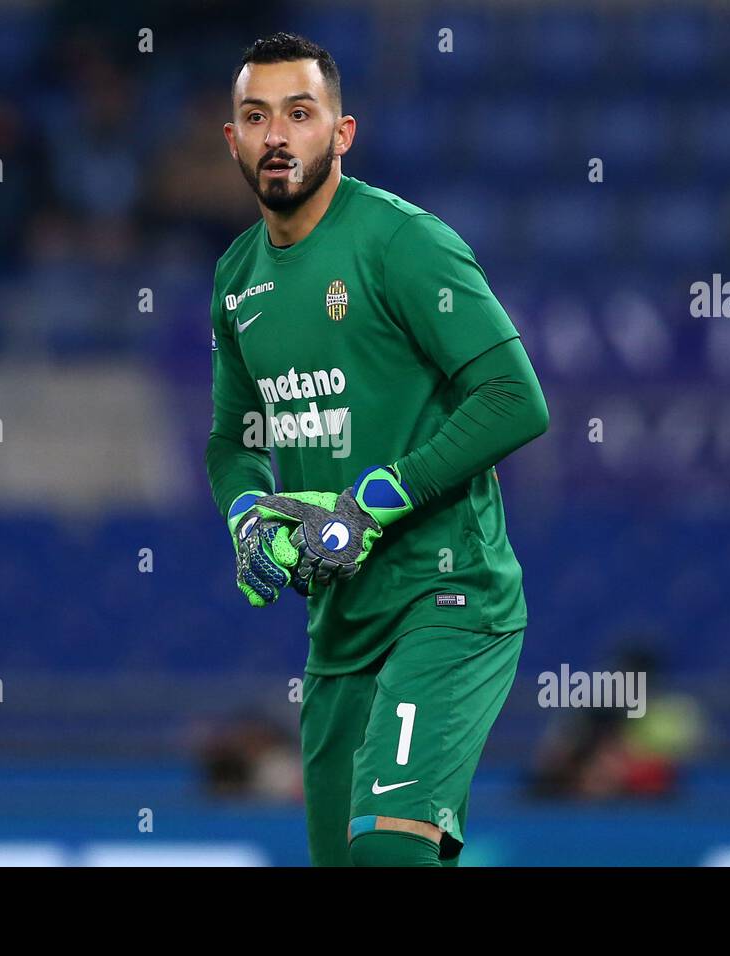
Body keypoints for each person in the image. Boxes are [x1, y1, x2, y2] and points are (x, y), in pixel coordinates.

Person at [205, 33, 550, 866]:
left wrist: (376, 499)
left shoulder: (402, 242)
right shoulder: (236, 280)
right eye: (257, 117)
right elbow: (233, 440)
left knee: (387, 857)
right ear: (233, 139)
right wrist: (249, 514)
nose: (277, 135)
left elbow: (515, 399)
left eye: (300, 113)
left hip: (447, 597)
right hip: (340, 625)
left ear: (342, 132)